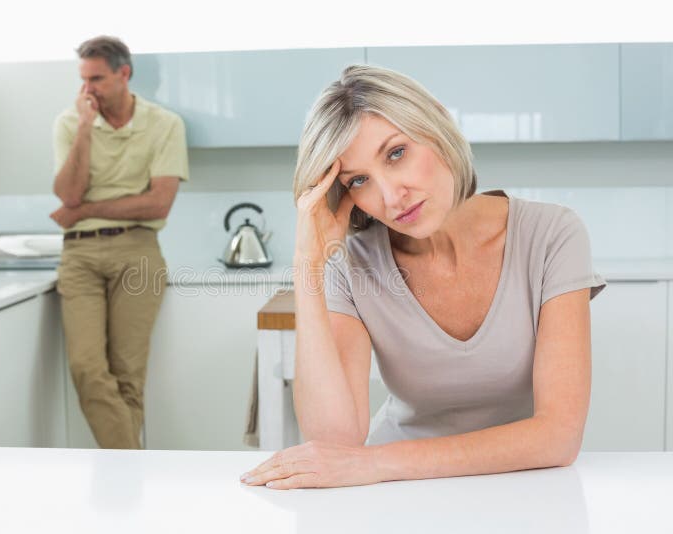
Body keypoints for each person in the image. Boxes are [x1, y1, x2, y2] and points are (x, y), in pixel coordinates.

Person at [241, 65, 605, 489]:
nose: (392, 196)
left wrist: (377, 464)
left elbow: (557, 436)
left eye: (396, 153)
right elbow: (334, 442)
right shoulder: (354, 265)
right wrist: (308, 264)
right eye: (359, 180)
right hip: (399, 493)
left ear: (437, 123)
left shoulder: (552, 235)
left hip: (519, 483)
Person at [50, 36, 188, 449]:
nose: (86, 89)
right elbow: (69, 197)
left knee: (128, 374)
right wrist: (86, 132)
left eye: (96, 78)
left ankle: (123, 490)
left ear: (123, 74)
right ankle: (133, 467)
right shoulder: (70, 123)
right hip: (79, 255)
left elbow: (159, 204)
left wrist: (86, 210)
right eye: (83, 79)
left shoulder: (165, 124)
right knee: (87, 368)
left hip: (138, 251)